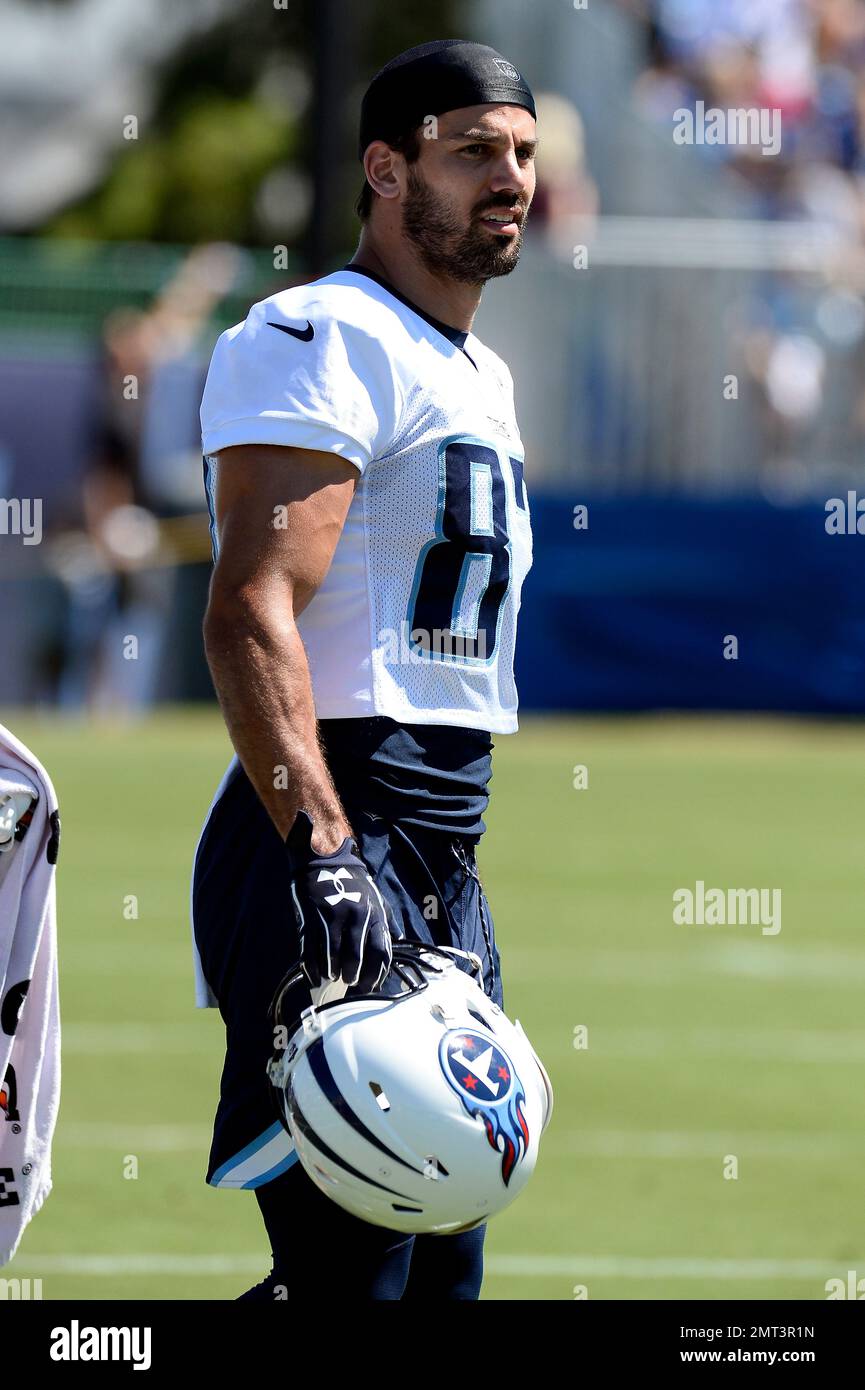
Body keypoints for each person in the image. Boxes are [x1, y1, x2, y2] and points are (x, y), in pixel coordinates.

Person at [191, 38, 537, 1301]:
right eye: (473, 150)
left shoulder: (481, 369)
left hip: (443, 843)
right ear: (385, 170)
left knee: (441, 1272)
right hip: (334, 824)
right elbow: (250, 608)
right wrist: (325, 848)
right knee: (355, 1278)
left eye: (523, 153)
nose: (510, 178)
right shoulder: (324, 330)